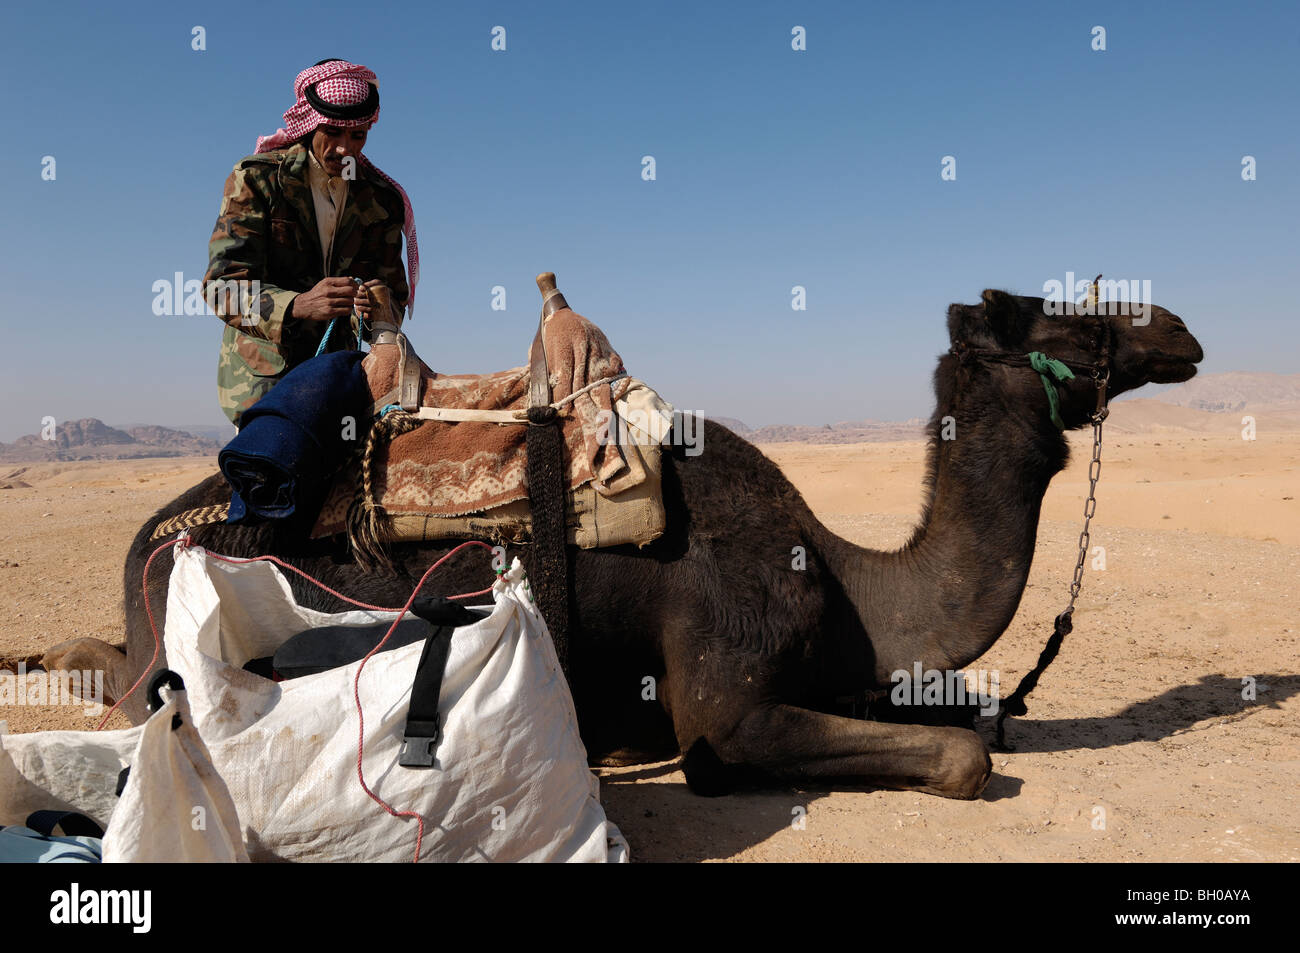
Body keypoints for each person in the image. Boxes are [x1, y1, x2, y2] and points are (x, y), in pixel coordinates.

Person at [204, 59, 420, 426]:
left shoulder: (381, 200)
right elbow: (222, 288)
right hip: (265, 384)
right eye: (332, 132)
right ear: (309, 124)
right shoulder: (258, 181)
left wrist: (375, 310)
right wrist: (298, 304)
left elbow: (393, 299)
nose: (344, 148)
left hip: (339, 382)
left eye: (358, 135)